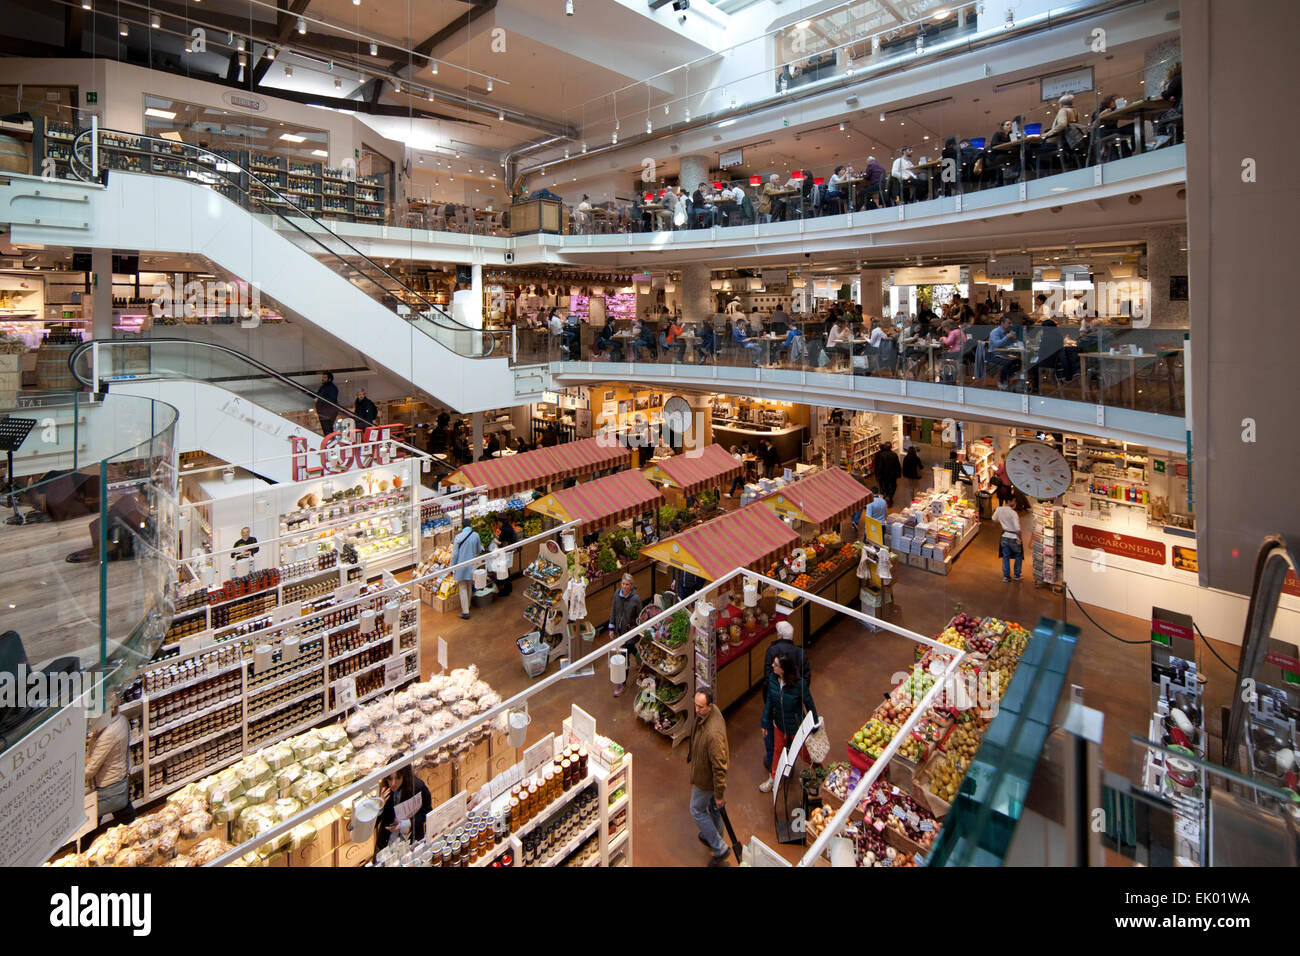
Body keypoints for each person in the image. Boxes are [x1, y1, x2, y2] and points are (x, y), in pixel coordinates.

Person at [759, 652, 819, 792]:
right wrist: (764, 721)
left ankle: (819, 773)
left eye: (776, 664)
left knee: (805, 754)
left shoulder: (799, 685)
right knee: (777, 751)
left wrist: (814, 725)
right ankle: (773, 778)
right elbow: (769, 702)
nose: (772, 666)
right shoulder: (773, 680)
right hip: (779, 724)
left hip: (796, 727)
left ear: (784, 669)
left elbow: (810, 705)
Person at [687, 689, 730, 866]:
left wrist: (719, 793)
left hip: (706, 779)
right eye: (695, 705)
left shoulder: (713, 735)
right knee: (713, 808)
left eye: (700, 707)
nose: (696, 710)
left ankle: (720, 848)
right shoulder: (710, 714)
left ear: (710, 706)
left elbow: (719, 767)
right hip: (707, 774)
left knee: (696, 809)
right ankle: (713, 834)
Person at [761, 621, 810, 771]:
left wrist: (770, 698)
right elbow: (807, 677)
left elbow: (767, 678)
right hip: (794, 707)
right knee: (792, 736)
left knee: (774, 738)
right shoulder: (801, 653)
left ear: (780, 635)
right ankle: (789, 763)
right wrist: (797, 695)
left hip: (776, 705)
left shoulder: (772, 650)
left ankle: (773, 765)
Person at [85, 697, 134, 829]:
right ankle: (138, 834)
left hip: (108, 785)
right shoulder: (122, 720)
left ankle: (140, 836)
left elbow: (89, 771)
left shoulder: (108, 734)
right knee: (126, 814)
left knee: (91, 823)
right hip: (119, 778)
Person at [374, 765, 431, 854]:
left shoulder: (418, 787)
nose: (393, 783)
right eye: (390, 779)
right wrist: (379, 806)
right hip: (386, 847)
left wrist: (406, 824)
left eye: (397, 778)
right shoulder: (383, 791)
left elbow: (427, 813)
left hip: (411, 845)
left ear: (405, 775)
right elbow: (373, 824)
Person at [608, 573, 643, 697]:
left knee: (624, 658)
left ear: (631, 585)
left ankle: (621, 684)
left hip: (630, 632)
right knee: (629, 649)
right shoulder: (617, 596)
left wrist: (639, 630)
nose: (624, 586)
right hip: (619, 631)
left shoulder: (636, 599)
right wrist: (611, 627)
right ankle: (640, 660)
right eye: (623, 584)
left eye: (627, 584)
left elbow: (640, 616)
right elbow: (613, 611)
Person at [451, 521, 482, 620]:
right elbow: (478, 550)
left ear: (462, 526)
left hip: (461, 565)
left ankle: (465, 612)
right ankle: (468, 606)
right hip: (472, 564)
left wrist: (452, 566)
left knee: (462, 586)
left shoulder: (458, 537)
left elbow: (455, 554)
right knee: (469, 584)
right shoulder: (476, 535)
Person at [992, 497, 1023, 582]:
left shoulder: (999, 509)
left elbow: (993, 519)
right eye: (1014, 501)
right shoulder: (1013, 513)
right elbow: (1017, 528)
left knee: (1005, 556)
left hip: (1004, 536)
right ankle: (1017, 575)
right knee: (1018, 555)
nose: (1015, 503)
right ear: (1009, 501)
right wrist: (1019, 538)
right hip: (1014, 537)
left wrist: (1002, 522)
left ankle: (1006, 577)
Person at [986, 314, 1022, 389]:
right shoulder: (995, 332)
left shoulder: (1007, 332)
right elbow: (997, 344)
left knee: (1019, 361)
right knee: (1009, 362)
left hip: (1004, 354)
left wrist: (1015, 339)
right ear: (1002, 323)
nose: (1011, 325)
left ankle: (1008, 377)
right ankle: (1003, 380)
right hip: (993, 354)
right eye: (1009, 323)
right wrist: (1007, 337)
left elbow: (1012, 344)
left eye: (1011, 323)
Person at [491, 515, 517, 597]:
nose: (497, 524)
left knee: (505, 569)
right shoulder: (508, 527)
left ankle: (507, 589)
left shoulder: (505, 530)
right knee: (506, 569)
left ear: (500, 522)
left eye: (498, 522)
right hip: (508, 550)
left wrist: (495, 540)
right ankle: (507, 586)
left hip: (506, 552)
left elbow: (501, 542)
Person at [874, 441, 902, 506]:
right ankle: (890, 497)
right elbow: (897, 465)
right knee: (893, 486)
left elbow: (879, 466)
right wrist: (898, 474)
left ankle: (885, 497)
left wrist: (878, 475)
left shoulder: (881, 455)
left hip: (883, 475)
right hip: (892, 475)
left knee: (884, 487)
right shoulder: (894, 455)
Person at [315, 371, 339, 435]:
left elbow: (332, 400)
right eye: (323, 377)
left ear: (329, 379)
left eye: (325, 377)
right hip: (323, 413)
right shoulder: (323, 387)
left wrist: (319, 400)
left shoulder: (331, 388)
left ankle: (330, 443)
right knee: (326, 431)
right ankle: (329, 443)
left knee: (328, 431)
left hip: (328, 413)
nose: (322, 379)